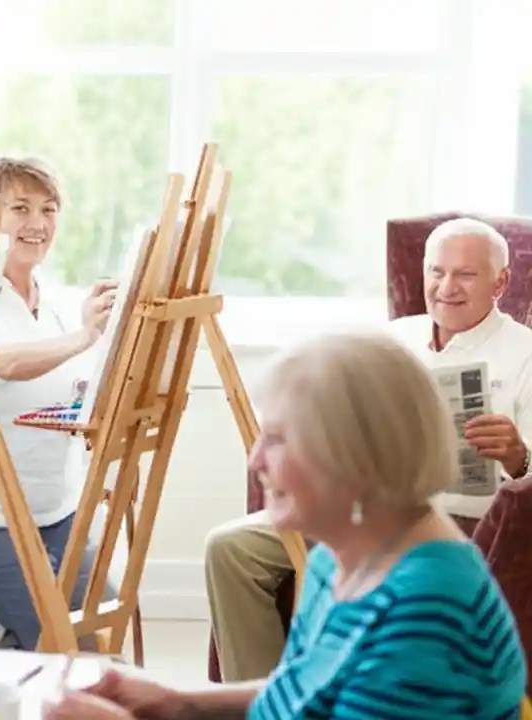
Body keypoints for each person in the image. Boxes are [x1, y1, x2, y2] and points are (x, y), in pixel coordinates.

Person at [47, 331, 527, 719]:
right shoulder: (337, 562)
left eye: (278, 440)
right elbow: (304, 691)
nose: (256, 460)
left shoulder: (426, 608)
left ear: (354, 458)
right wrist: (178, 703)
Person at [205, 216, 532, 681]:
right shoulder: (392, 339)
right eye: (436, 272)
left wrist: (519, 455)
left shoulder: (526, 352)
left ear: (500, 281)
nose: (446, 287)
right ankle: (259, 701)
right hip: (359, 508)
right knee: (230, 547)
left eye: (465, 274)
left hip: (464, 524)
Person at [0, 157, 116, 650]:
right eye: (20, 208)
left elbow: (73, 390)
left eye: (49, 208)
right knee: (72, 647)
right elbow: (4, 362)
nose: (37, 223)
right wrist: (84, 337)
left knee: (103, 633)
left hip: (54, 513)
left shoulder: (59, 299)